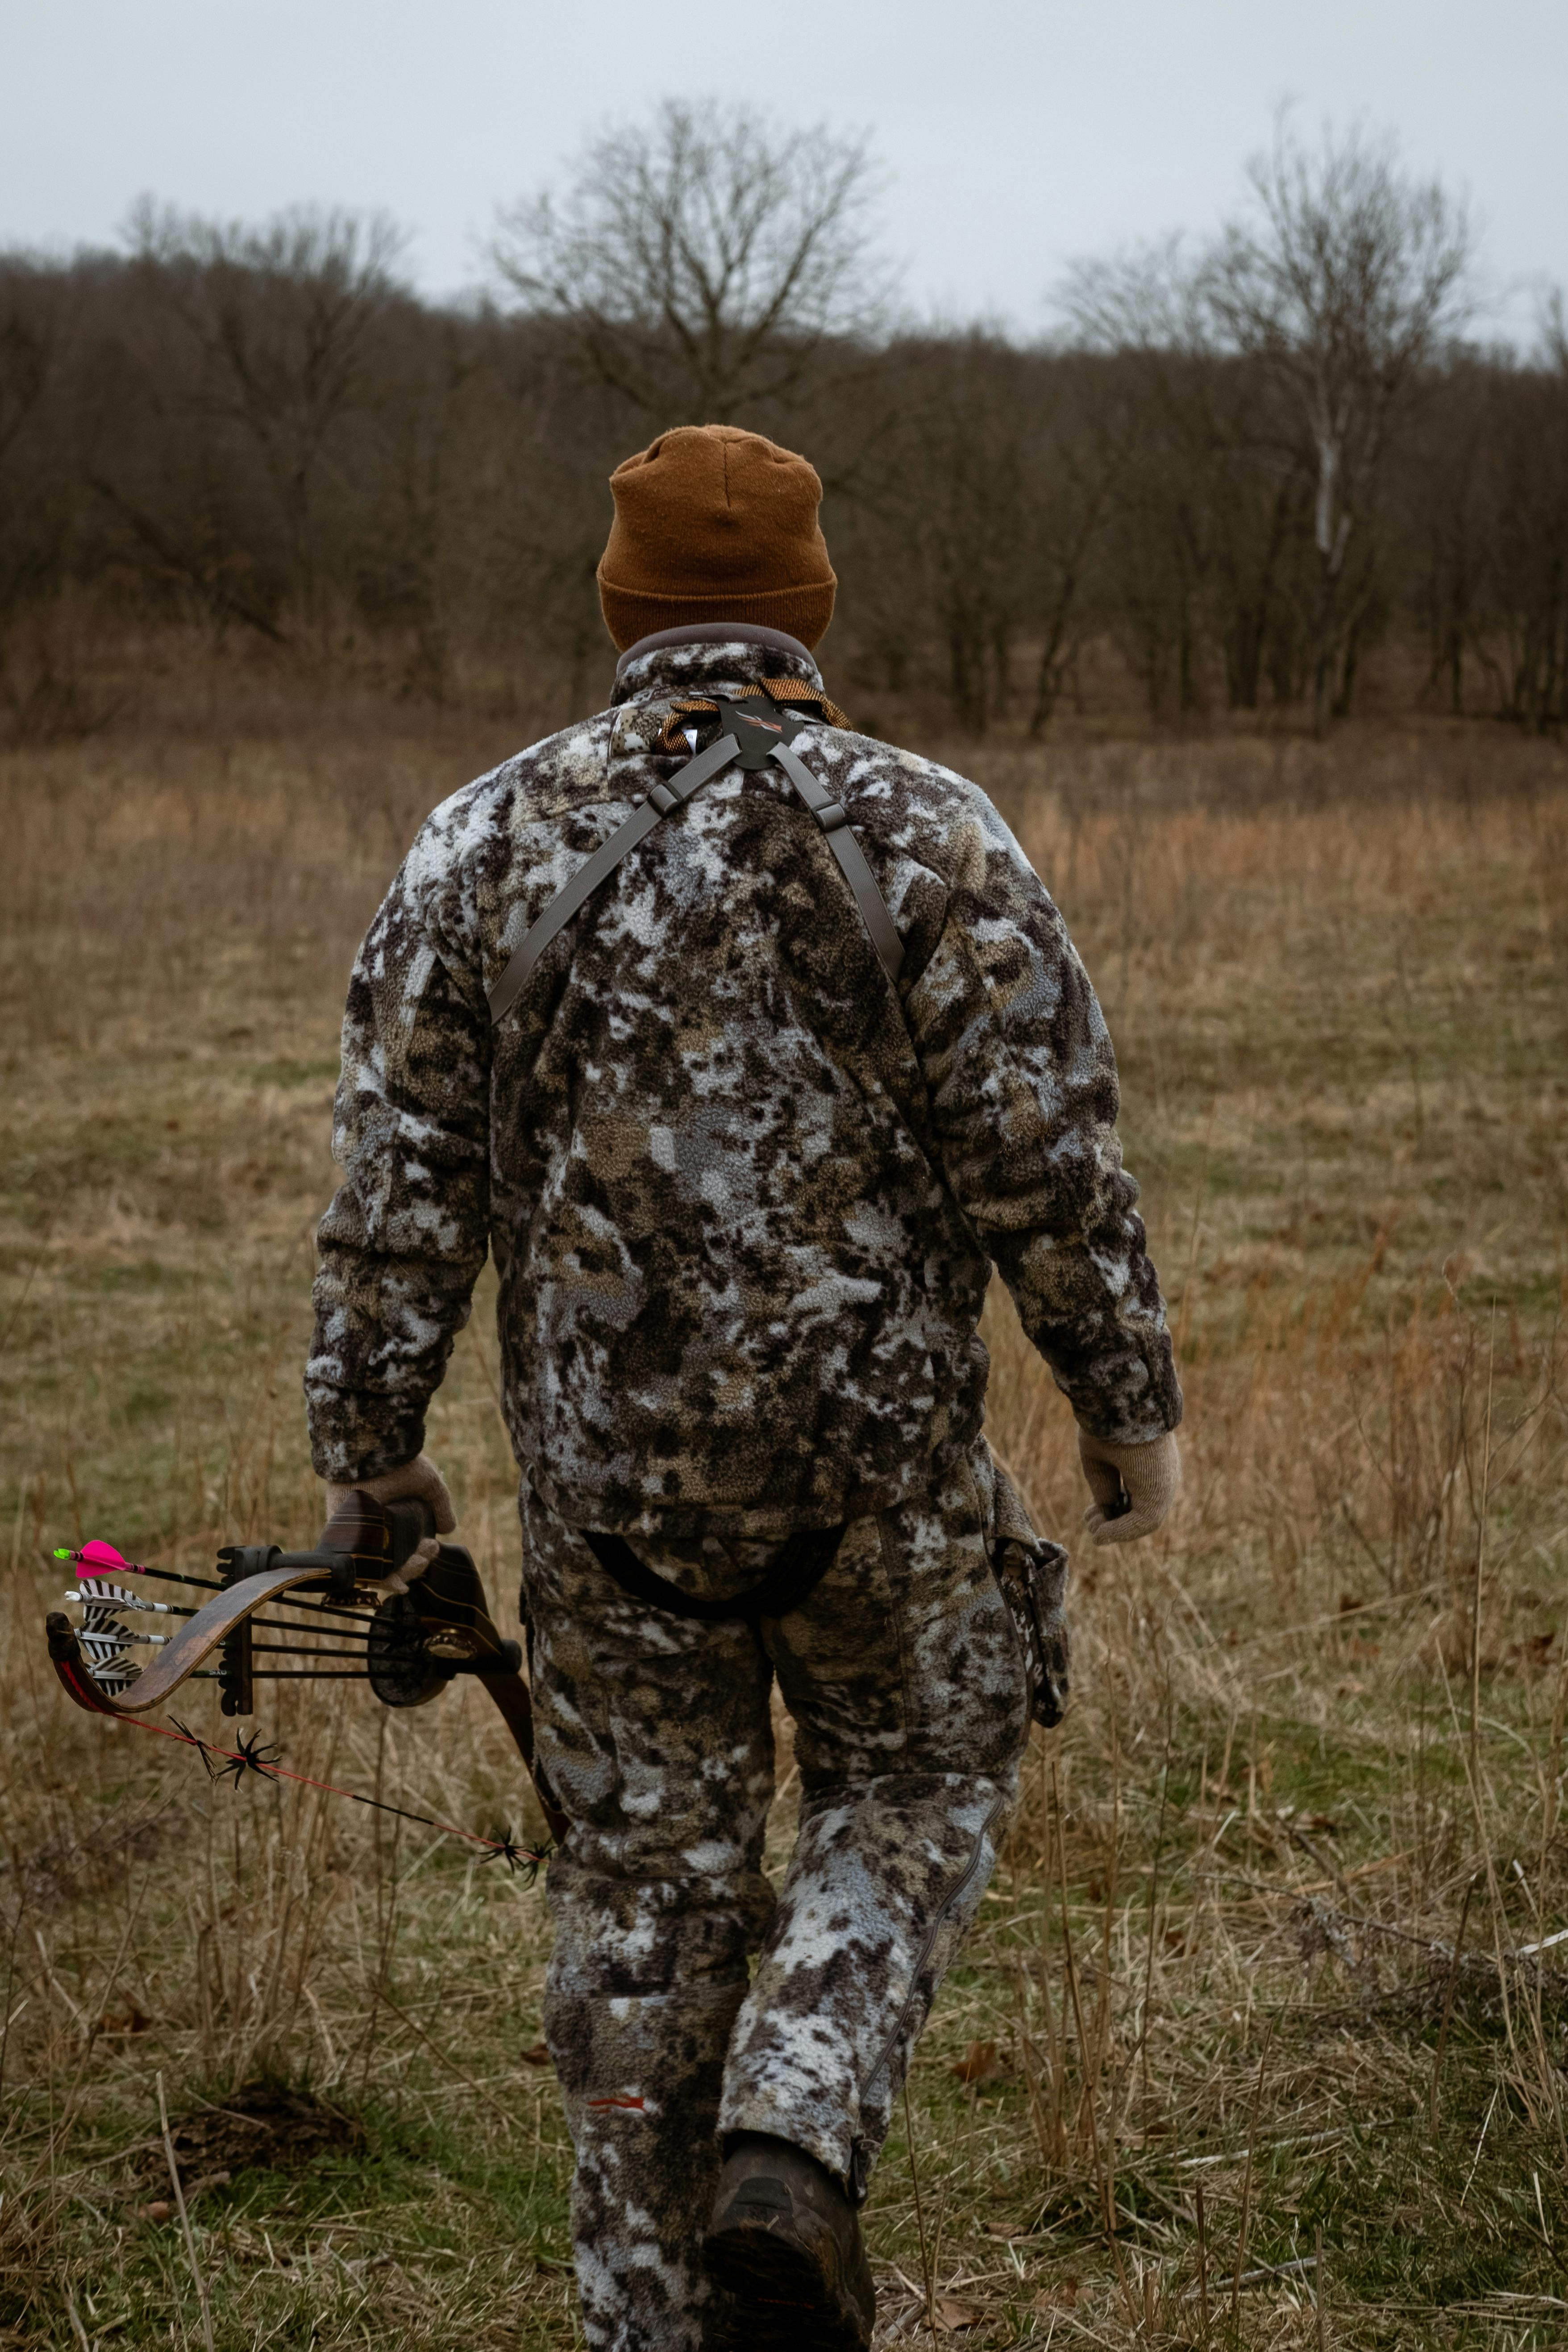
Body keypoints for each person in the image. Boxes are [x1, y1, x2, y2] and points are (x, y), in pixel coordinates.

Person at [305, 424, 1183, 2352]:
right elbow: (1051, 1159)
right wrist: (1127, 1407)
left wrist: (367, 1454)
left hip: (616, 1522)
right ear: (809, 607)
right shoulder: (933, 830)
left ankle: (650, 2320)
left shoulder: (486, 841)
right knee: (926, 1764)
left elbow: (400, 1188)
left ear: (624, 607)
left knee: (641, 1899)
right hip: (882, 1487)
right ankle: (799, 2117)